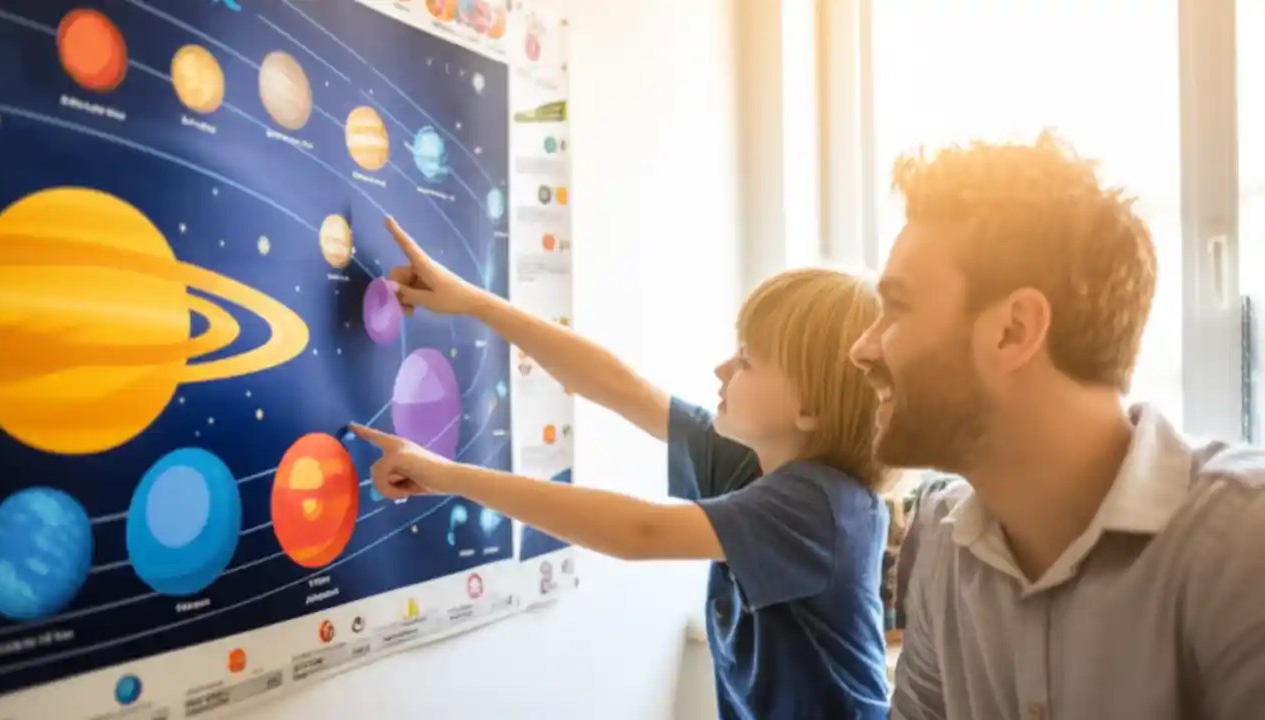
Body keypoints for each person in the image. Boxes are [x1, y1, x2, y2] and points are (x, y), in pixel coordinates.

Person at [350, 217, 892, 720]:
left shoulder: (821, 505)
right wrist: (475, 303)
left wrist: (448, 475)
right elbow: (619, 387)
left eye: (747, 360)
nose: (721, 368)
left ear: (810, 410)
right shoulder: (756, 465)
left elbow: (639, 531)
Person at [849, 132, 1265, 720]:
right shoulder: (943, 541)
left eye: (898, 307)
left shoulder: (1244, 545)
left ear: (1014, 330)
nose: (862, 351)